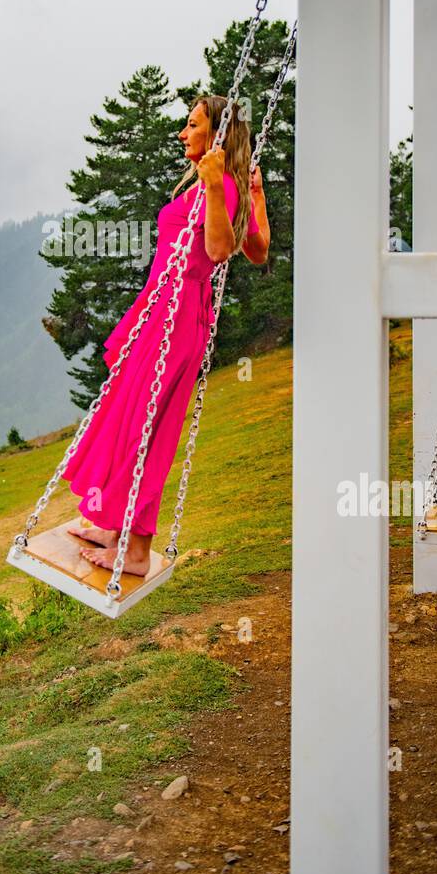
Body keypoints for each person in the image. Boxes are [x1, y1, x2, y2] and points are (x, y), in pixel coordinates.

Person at [61, 94, 270, 577]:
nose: (183, 133)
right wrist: (252, 196)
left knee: (146, 431)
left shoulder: (220, 187)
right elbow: (257, 250)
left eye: (192, 125)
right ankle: (113, 527)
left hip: (175, 320)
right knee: (126, 418)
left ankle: (135, 552)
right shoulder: (219, 186)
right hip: (160, 311)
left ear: (217, 135)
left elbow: (220, 250)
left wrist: (222, 188)